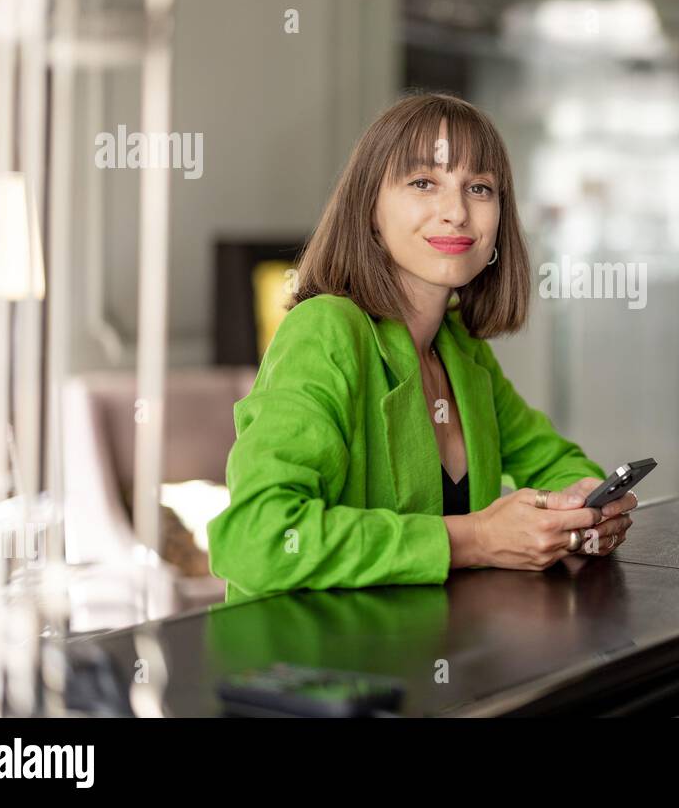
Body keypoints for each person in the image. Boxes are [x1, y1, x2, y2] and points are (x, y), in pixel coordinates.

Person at [207, 92, 635, 600]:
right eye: (423, 183)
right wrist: (475, 539)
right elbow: (257, 537)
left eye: (478, 188)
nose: (455, 212)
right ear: (369, 211)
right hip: (317, 668)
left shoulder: (460, 349)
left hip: (432, 657)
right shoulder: (324, 330)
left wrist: (581, 510)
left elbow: (556, 462)